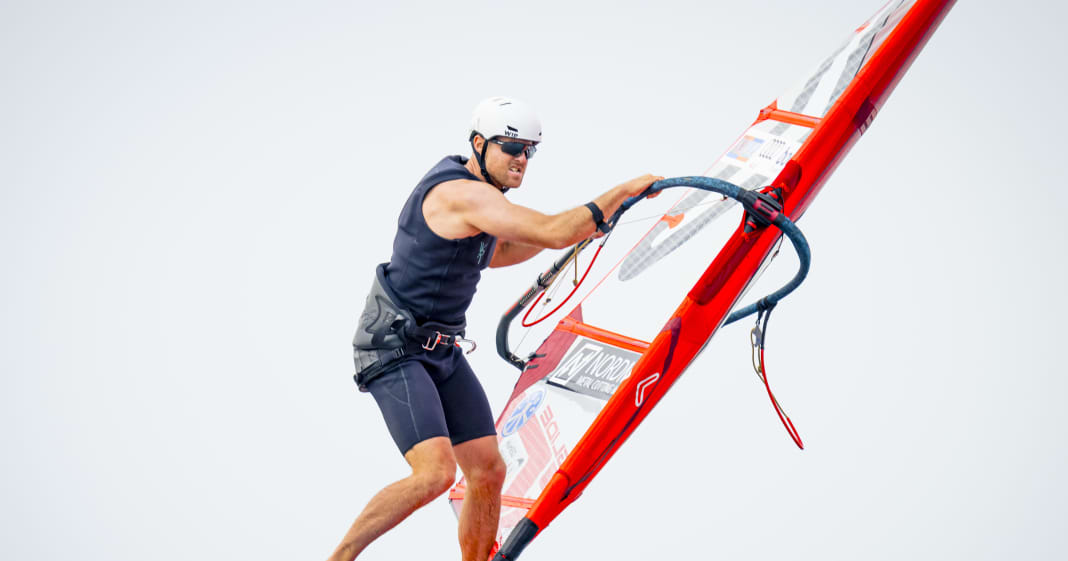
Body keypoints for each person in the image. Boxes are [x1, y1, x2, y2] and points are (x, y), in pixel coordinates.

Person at [328, 96, 661, 561]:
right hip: (393, 349)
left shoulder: (482, 204)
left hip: (441, 352)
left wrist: (583, 228)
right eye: (511, 148)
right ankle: (339, 557)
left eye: (530, 151)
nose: (521, 160)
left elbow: (499, 252)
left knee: (487, 470)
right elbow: (553, 230)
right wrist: (619, 194)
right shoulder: (461, 193)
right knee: (435, 474)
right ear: (480, 145)